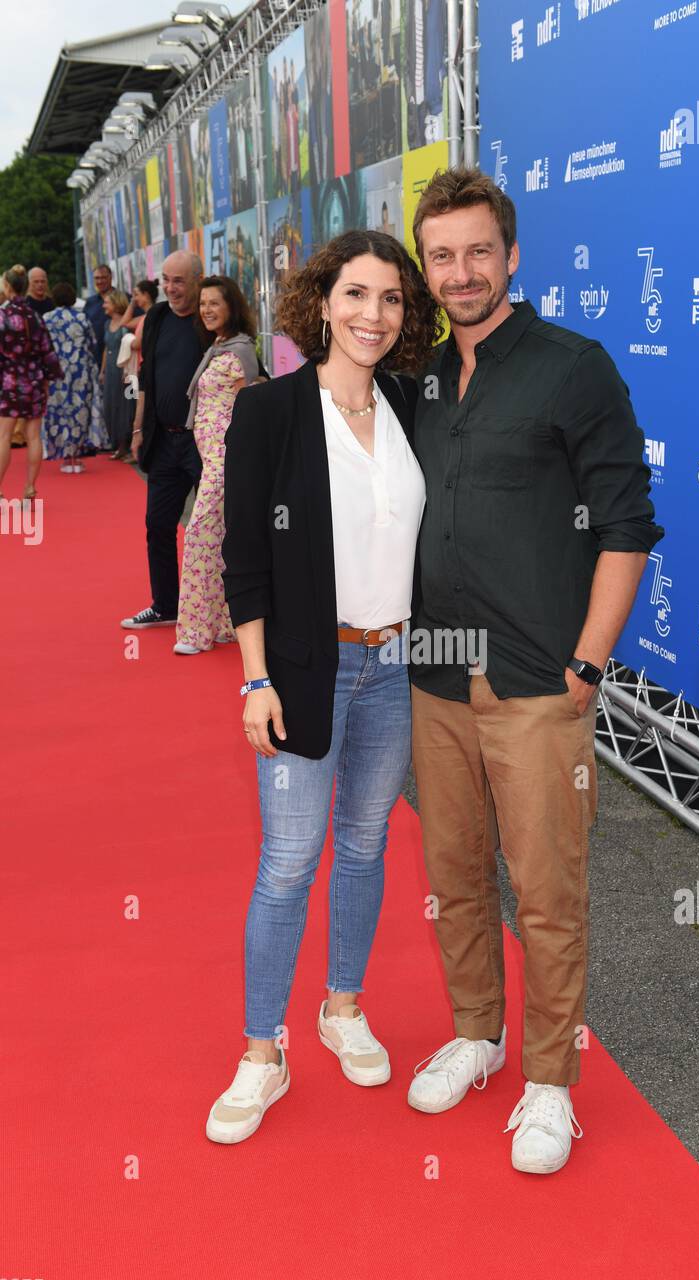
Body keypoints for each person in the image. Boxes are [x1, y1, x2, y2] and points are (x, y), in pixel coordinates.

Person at [405, 167, 665, 1174]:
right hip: (434, 672)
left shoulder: (571, 366)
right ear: (425, 267)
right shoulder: (423, 378)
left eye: (477, 250)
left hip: (536, 684)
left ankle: (549, 1081)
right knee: (452, 875)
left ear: (511, 256)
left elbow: (625, 523)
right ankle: (477, 1033)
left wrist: (587, 664)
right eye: (440, 256)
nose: (459, 271)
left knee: (547, 891)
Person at [206, 230, 440, 1145]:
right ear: (321, 302)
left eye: (390, 299)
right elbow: (244, 560)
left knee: (367, 842)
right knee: (289, 859)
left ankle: (343, 1007)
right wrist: (254, 680)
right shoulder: (268, 412)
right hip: (306, 669)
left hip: (395, 666)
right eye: (355, 295)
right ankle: (263, 1051)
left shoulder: (414, 405)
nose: (372, 315)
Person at [121, 251, 209, 630]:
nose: (170, 289)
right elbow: (147, 376)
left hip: (206, 443)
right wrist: (139, 430)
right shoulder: (156, 317)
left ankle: (225, 612)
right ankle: (165, 605)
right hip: (164, 439)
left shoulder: (211, 316)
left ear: (198, 279)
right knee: (158, 525)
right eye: (165, 281)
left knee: (216, 531)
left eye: (179, 281)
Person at [174, 277, 259, 655]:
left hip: (227, 459)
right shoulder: (218, 346)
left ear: (231, 307)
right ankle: (224, 623)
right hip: (212, 459)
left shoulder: (241, 350)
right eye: (203, 303)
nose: (207, 310)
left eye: (214, 303)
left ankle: (194, 632)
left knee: (198, 534)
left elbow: (251, 406)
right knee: (220, 539)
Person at [0, 265, 62, 502]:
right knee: (34, 435)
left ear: (7, 286)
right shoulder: (35, 317)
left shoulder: (2, 316)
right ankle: (29, 488)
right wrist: (49, 377)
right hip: (34, 381)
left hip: (10, 381)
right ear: (25, 286)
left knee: (4, 436)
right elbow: (48, 352)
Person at [42, 282, 109, 473]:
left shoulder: (47, 318)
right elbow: (92, 343)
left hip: (56, 372)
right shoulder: (81, 317)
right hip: (80, 370)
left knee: (60, 413)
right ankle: (76, 458)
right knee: (80, 412)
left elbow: (44, 346)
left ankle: (64, 457)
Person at [101, 290, 135, 460]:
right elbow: (106, 348)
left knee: (124, 407)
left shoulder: (125, 324)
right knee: (109, 406)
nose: (103, 305)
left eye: (106, 302)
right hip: (110, 372)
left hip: (123, 370)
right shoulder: (107, 324)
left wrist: (128, 371)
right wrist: (102, 370)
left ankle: (125, 445)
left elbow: (129, 348)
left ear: (115, 304)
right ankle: (116, 443)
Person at [118, 279, 158, 390]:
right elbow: (124, 323)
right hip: (143, 366)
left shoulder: (150, 316)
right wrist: (132, 303)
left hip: (146, 367)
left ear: (145, 295)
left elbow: (136, 344)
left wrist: (126, 339)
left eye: (136, 295)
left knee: (141, 404)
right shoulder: (145, 317)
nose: (134, 298)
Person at [83, 265, 112, 362]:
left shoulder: (124, 298)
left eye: (103, 277)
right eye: (97, 278)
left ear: (111, 277)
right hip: (96, 358)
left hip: (119, 356)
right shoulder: (90, 302)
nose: (100, 281)